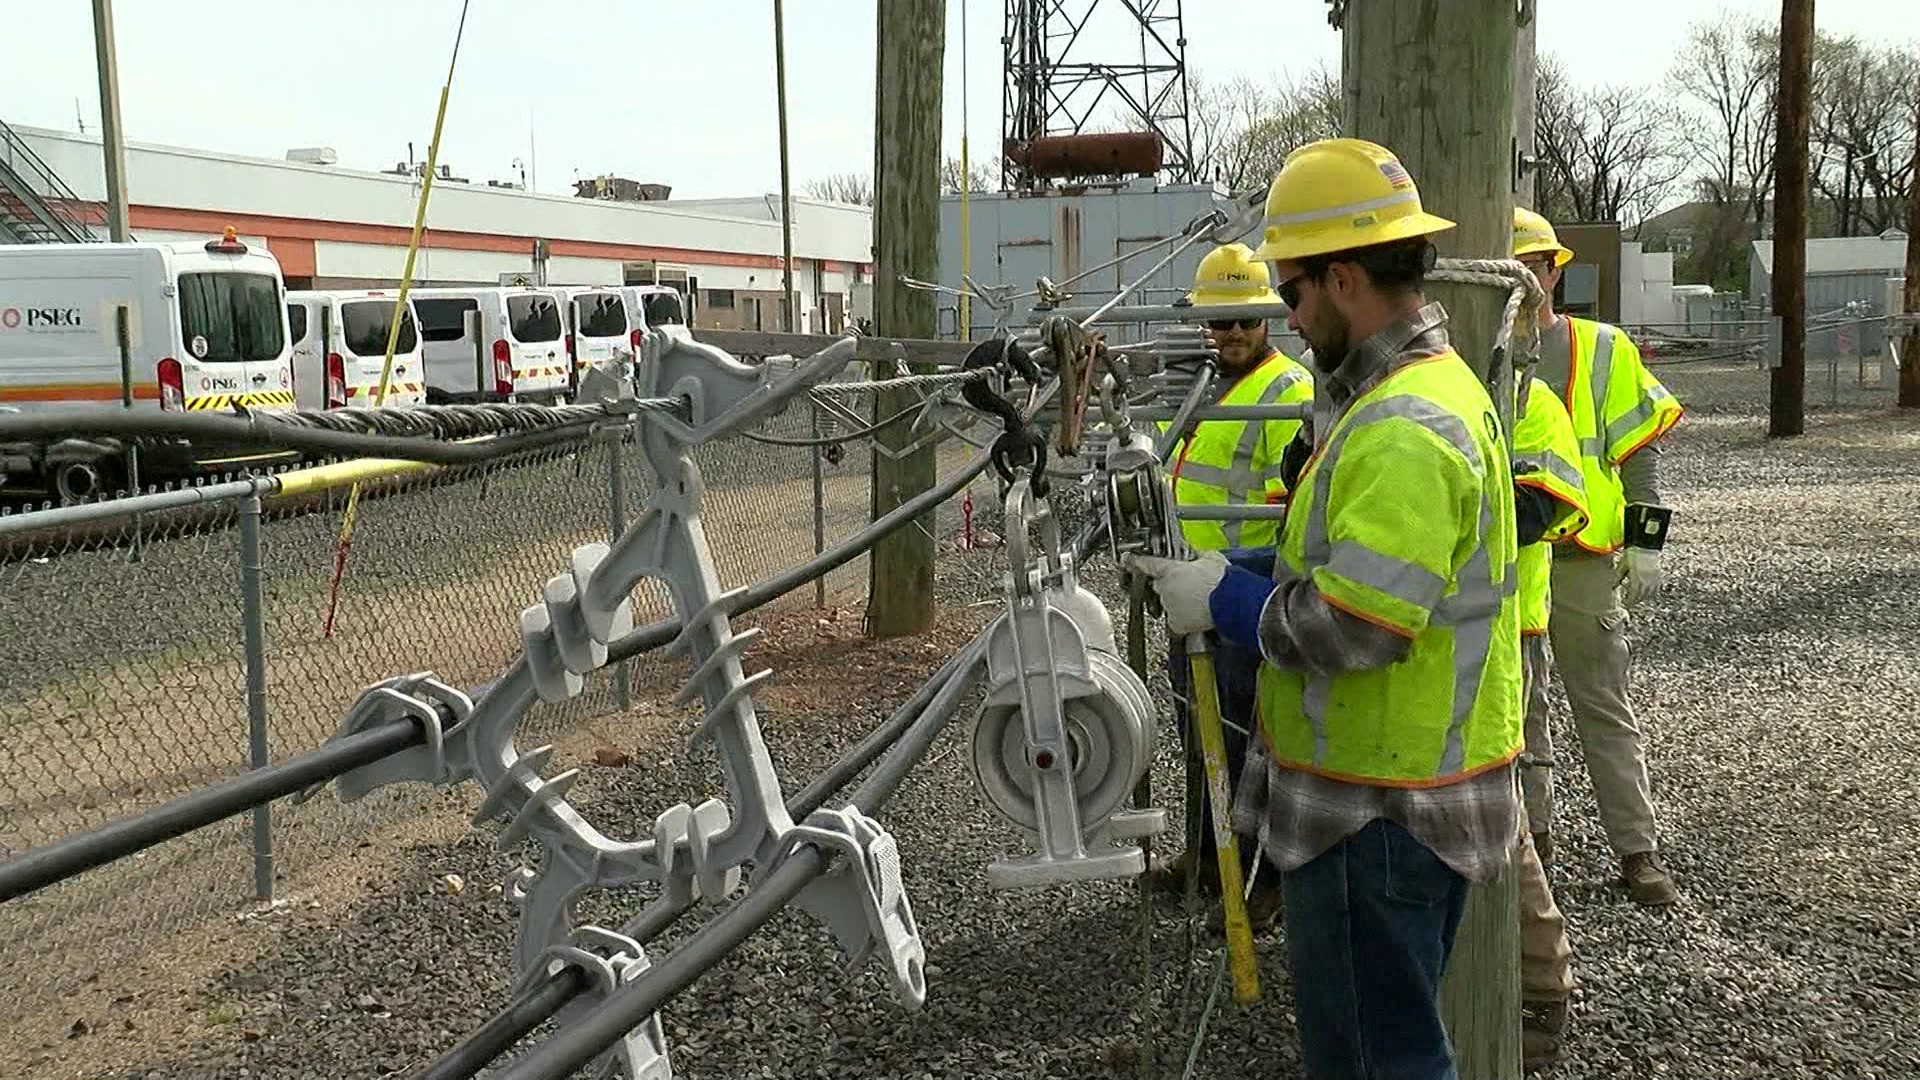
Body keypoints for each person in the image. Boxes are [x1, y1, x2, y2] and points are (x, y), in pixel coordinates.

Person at [1127, 137, 1524, 1080]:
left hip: (1378, 812)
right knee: (1391, 1042)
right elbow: (1357, 568)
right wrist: (1239, 568)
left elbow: (1360, 624)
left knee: (1379, 1061)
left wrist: (1226, 599)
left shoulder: (1404, 426)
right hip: (1396, 796)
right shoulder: (1408, 394)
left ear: (1343, 278)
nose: (1290, 318)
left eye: (1293, 292)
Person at [1513, 208, 1685, 906]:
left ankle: (1637, 849)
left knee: (1603, 706)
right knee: (1519, 710)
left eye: (1533, 266)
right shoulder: (1472, 356)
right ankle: (1534, 846)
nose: (1524, 280)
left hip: (1582, 558)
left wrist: (1646, 541)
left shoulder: (1603, 349)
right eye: (1511, 267)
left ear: (1554, 271)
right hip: (1514, 557)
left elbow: (1640, 453)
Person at [1147, 243, 1313, 932]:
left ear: (1268, 317)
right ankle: (1208, 858)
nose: (1235, 333)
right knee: (1199, 731)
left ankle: (1259, 880)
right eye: (1221, 321)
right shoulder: (1194, 387)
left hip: (1244, 593)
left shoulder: (1287, 392)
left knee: (1249, 739)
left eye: (1247, 319)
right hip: (1188, 588)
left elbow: (1290, 515)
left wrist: (1240, 586)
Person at [1509, 372, 1587, 1071]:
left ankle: (1537, 975)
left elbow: (1540, 506)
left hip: (1509, 626)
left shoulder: (1531, 403)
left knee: (1515, 787)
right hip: (1424, 633)